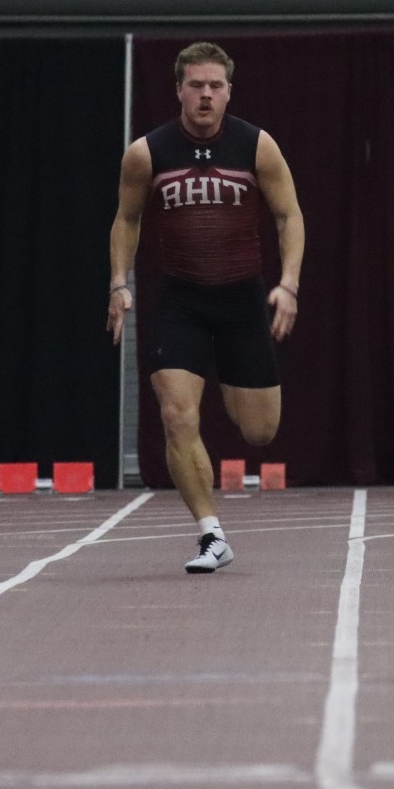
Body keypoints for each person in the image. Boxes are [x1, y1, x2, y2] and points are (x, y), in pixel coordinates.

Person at [108, 43, 304, 574]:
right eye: (195, 85)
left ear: (228, 91)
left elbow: (288, 216)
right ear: (178, 90)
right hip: (180, 300)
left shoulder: (255, 145)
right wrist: (118, 284)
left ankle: (226, 386)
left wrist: (288, 285)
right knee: (176, 415)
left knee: (259, 430)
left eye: (215, 85)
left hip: (242, 299)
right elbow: (127, 220)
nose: (205, 94)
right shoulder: (148, 153)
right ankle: (210, 534)